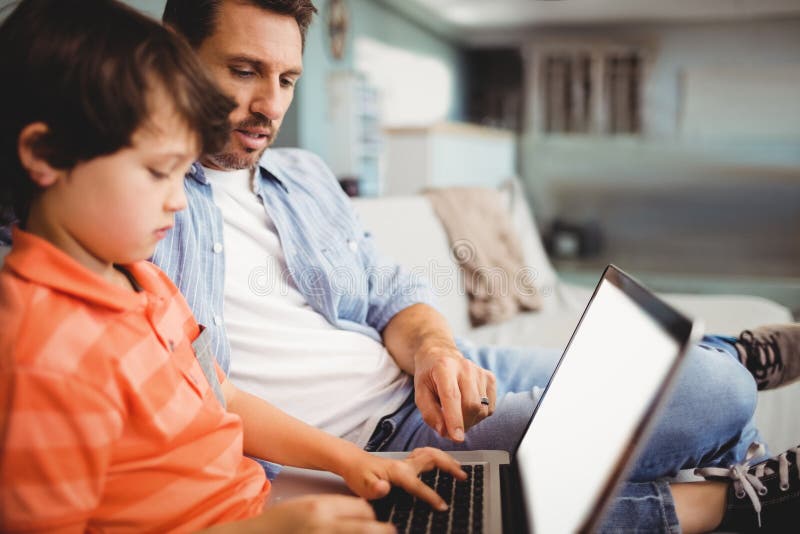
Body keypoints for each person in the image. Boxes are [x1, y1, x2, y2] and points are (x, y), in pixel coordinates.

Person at [152, 0, 800, 531]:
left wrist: (435, 350)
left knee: (703, 385)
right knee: (720, 394)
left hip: (439, 380)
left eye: (287, 79)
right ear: (171, 55)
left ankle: (731, 400)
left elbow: (391, 291)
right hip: (387, 440)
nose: (271, 104)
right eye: (244, 70)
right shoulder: (141, 205)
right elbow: (198, 392)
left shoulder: (302, 175)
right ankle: (736, 446)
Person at [0, 1, 467, 532]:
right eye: (158, 172)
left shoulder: (144, 283)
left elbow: (226, 397)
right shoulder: (40, 352)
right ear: (43, 154)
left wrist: (354, 462)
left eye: (184, 173)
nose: (180, 202)